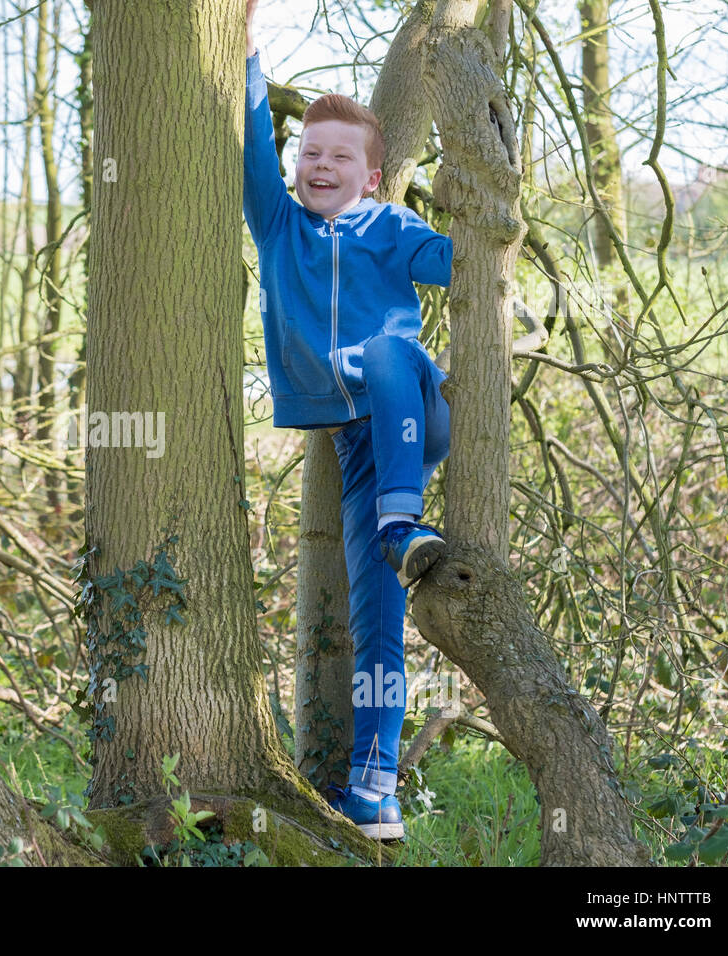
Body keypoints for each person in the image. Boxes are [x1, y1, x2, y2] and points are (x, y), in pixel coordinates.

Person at [244, 0, 452, 841]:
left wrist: (483, 212)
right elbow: (254, 150)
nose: (318, 165)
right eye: (309, 155)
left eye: (339, 158)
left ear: (371, 176)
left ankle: (404, 525)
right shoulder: (280, 229)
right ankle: (374, 786)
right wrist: (248, 54)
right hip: (362, 444)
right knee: (377, 619)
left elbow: (459, 262)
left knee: (395, 353)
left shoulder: (392, 226)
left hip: (416, 409)